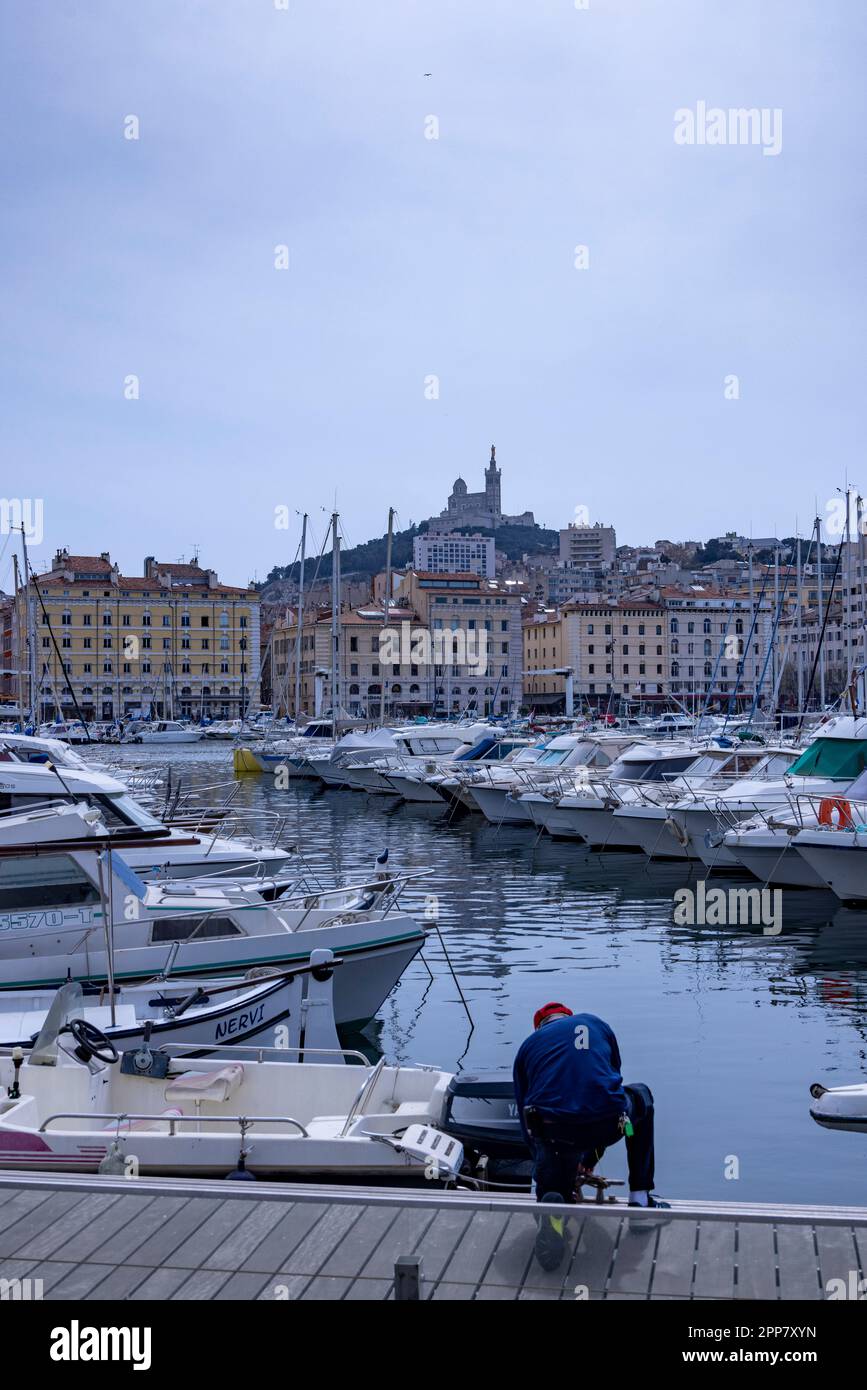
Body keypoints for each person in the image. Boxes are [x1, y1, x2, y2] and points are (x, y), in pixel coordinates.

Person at [513, 1002, 668, 1269]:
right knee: (641, 1097)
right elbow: (612, 1081)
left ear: (539, 1026)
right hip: (610, 1124)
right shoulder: (596, 1024)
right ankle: (640, 1202)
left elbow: (523, 1115)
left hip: (554, 1134)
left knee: (553, 1182)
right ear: (567, 1016)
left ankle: (553, 1203)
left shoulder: (529, 1046)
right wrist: (593, 1154)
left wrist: (540, 1162)